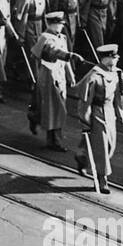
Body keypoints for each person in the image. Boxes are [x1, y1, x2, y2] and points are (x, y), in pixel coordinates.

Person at [72, 43, 123, 195]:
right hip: (97, 113)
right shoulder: (94, 77)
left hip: (109, 113)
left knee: (110, 145)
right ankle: (102, 179)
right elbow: (85, 101)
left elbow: (117, 94)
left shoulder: (116, 73)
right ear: (106, 59)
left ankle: (82, 157)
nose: (116, 60)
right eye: (113, 57)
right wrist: (85, 120)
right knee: (101, 147)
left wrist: (119, 111)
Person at [29, 10, 75, 151]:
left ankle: (35, 118)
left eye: (61, 24)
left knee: (55, 108)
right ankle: (55, 141)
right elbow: (41, 53)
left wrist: (70, 75)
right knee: (55, 108)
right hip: (48, 75)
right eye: (58, 24)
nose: (61, 27)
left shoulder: (62, 37)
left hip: (59, 75)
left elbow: (65, 60)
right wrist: (67, 55)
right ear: (50, 24)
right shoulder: (45, 37)